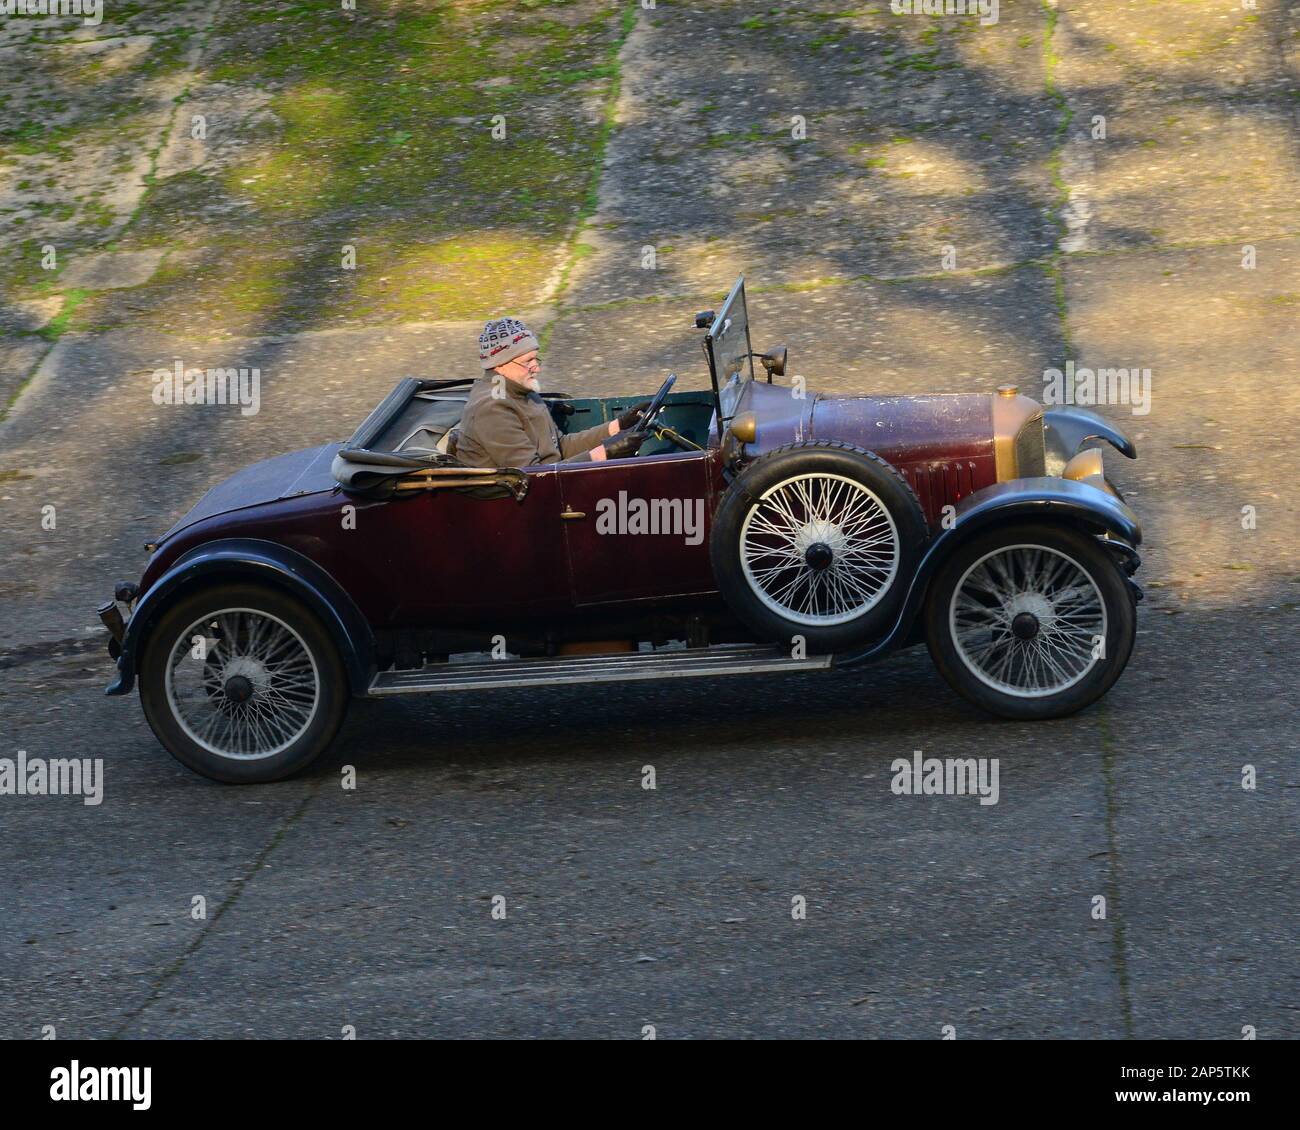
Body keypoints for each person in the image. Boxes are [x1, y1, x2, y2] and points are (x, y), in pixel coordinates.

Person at [453, 317, 649, 469]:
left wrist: (619, 425)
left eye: (536, 359)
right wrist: (605, 453)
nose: (536, 368)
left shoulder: (522, 391)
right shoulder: (492, 408)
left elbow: (560, 447)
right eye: (528, 361)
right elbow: (534, 476)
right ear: (500, 363)